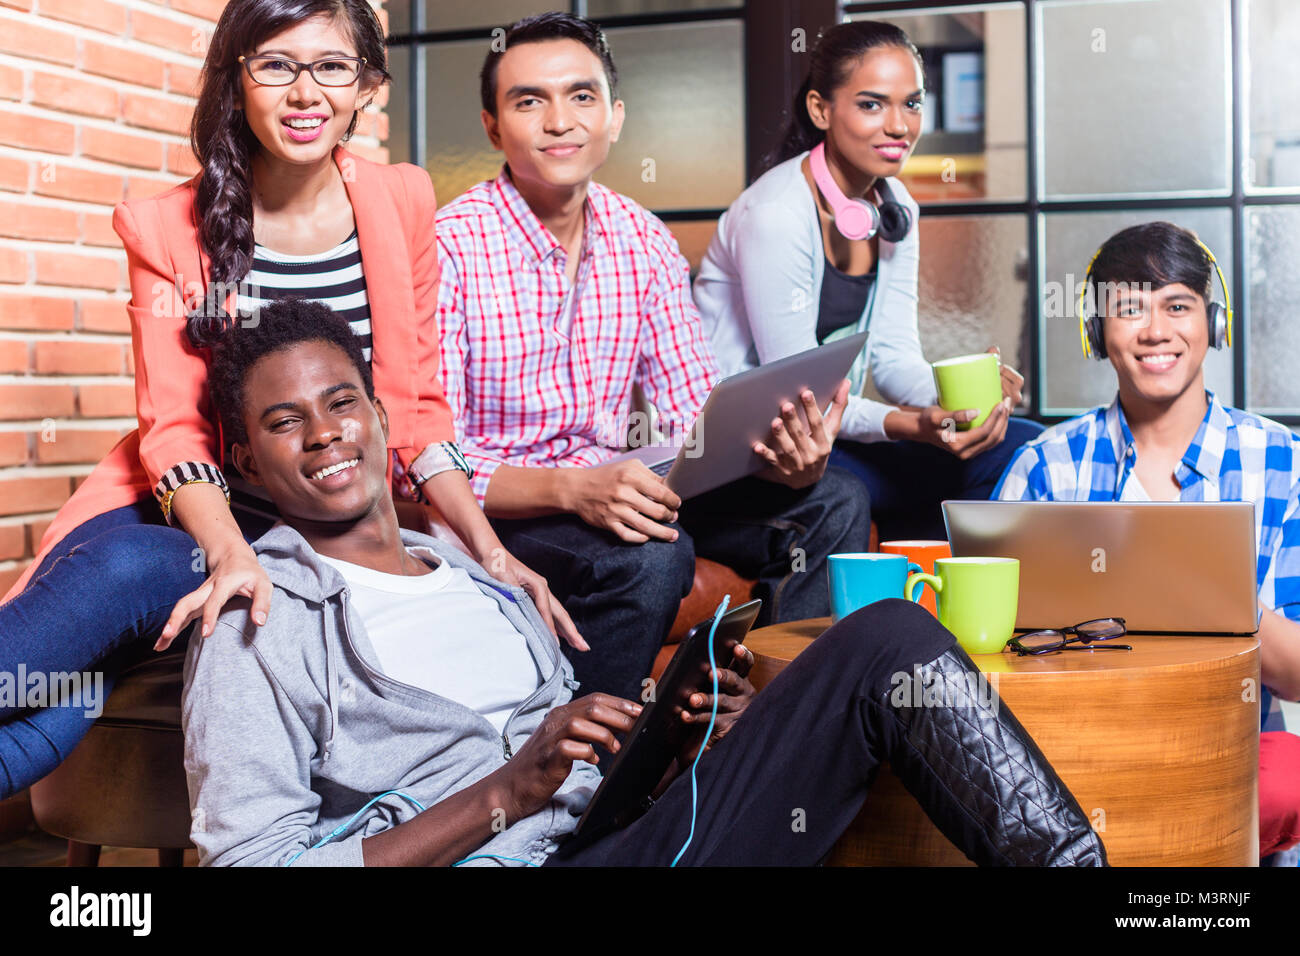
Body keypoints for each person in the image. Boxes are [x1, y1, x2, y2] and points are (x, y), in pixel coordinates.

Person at [181, 297, 1106, 867]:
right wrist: (510, 788)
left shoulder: (478, 574)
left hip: (617, 837)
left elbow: (580, 781)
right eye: (284, 422)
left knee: (886, 639)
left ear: (384, 419)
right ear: (246, 466)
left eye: (343, 403)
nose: (325, 434)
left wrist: (680, 741)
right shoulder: (259, 623)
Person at [0, 0, 568, 800]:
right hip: (184, 506)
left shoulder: (401, 199)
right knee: (90, 648)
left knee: (67, 693)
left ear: (367, 82)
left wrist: (487, 546)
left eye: (332, 67)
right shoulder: (165, 225)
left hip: (310, 511)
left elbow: (413, 407)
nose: (306, 93)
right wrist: (229, 550)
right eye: (275, 64)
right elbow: (174, 428)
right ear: (237, 78)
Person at [433, 12, 870, 702]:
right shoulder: (450, 245)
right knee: (654, 560)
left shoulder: (642, 238)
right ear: (493, 126)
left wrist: (787, 458)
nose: (560, 121)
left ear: (613, 118)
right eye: (528, 101)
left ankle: (783, 735)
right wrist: (570, 488)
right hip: (515, 507)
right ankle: (584, 784)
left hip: (624, 485)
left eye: (581, 97)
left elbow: (695, 410)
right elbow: (430, 457)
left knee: (835, 497)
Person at [995, 220, 1300, 860]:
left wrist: (1193, 583)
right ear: (1096, 334)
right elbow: (990, 665)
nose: (1156, 330)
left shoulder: (1285, 463)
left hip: (1232, 771)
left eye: (1178, 306)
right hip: (1073, 768)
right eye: (1130, 308)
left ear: (1211, 324)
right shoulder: (1046, 467)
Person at [693, 20, 1042, 541]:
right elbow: (798, 397)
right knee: (859, 490)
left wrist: (970, 400)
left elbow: (895, 360)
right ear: (820, 109)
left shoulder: (896, 207)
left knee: (1019, 444)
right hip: (751, 453)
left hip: (823, 439)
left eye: (913, 103)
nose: (900, 126)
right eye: (872, 104)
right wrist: (912, 426)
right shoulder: (775, 215)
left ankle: (949, 602)